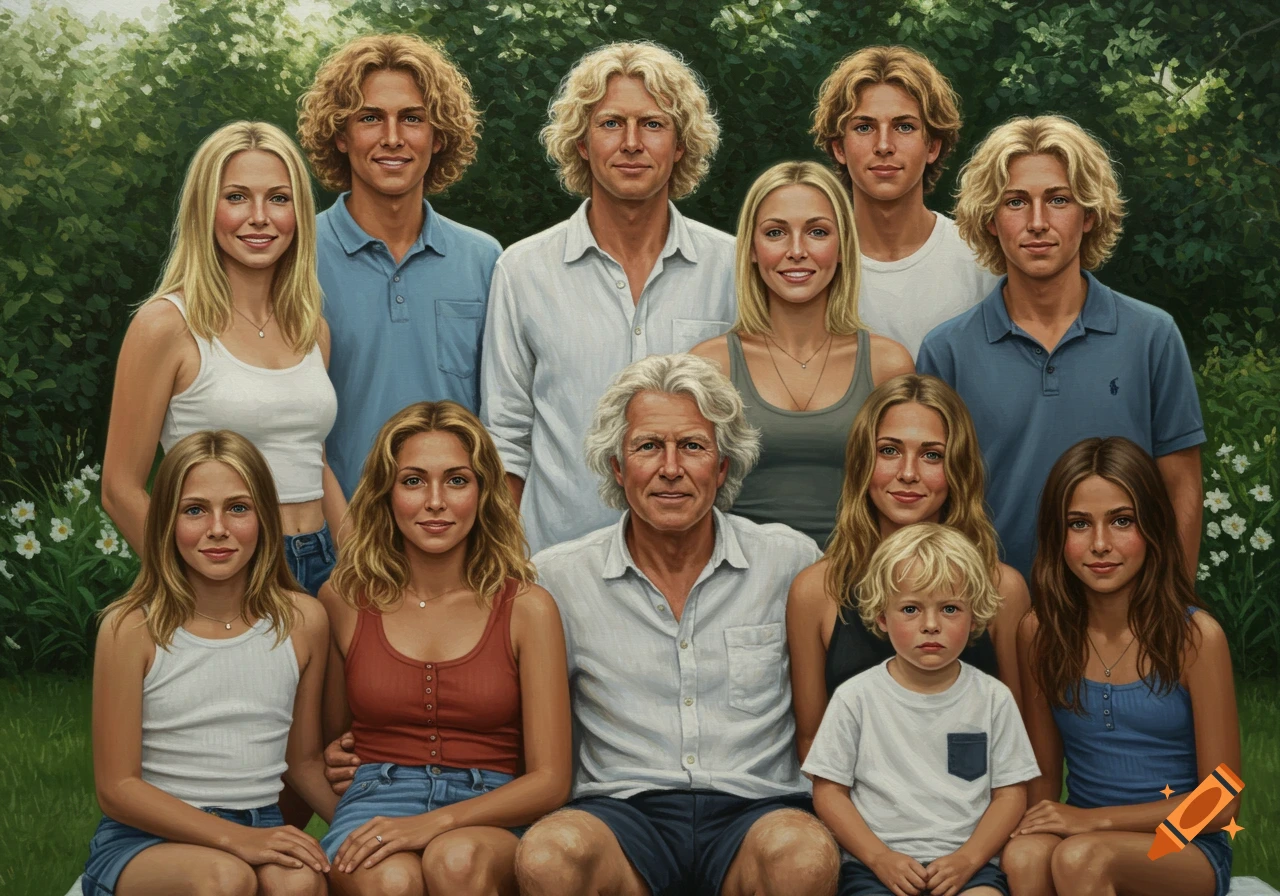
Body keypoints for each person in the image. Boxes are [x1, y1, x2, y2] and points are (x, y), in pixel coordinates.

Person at [512, 354, 841, 896]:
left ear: (723, 467)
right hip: (618, 814)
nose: (670, 468)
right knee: (549, 854)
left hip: (758, 811)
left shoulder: (791, 562)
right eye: (647, 447)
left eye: (692, 446)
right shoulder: (556, 578)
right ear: (617, 468)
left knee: (803, 856)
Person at [917, 115, 1205, 582]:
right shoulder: (946, 351)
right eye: (1015, 202)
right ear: (990, 220)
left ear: (1089, 215)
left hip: (1121, 609)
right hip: (990, 607)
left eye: (1058, 200)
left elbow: (1181, 485)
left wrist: (1176, 605)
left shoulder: (1152, 336)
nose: (1037, 223)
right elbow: (932, 500)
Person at [481, 41, 736, 554]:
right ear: (581, 142)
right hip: (553, 564)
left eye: (653, 124)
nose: (632, 143)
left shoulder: (732, 268)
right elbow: (505, 438)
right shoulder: (523, 270)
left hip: (701, 568)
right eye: (611, 123)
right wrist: (507, 563)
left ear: (681, 144)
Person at [315, 401, 571, 896]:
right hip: (376, 800)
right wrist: (343, 777)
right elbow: (328, 746)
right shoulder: (343, 600)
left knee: (456, 861)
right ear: (386, 493)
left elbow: (551, 779)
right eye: (413, 481)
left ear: (483, 492)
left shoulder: (528, 608)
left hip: (491, 807)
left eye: (456, 480)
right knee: (392, 882)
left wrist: (434, 823)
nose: (435, 501)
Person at [85, 430, 334, 896]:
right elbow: (117, 788)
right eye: (195, 510)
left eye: (238, 508)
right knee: (224, 879)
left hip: (260, 822)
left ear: (264, 517)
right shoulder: (131, 628)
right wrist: (236, 841)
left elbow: (304, 762)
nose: (217, 528)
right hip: (146, 837)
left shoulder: (302, 621)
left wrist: (365, 831)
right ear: (166, 520)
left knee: (300, 883)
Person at [102, 121, 344, 596]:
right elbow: (119, 489)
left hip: (322, 559)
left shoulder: (311, 328)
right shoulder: (166, 325)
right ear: (204, 209)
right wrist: (196, 589)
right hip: (228, 569)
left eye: (279, 198)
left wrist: (358, 562)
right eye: (236, 197)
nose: (260, 217)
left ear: (299, 212)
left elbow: (310, 455)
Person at [1003, 437, 1241, 896]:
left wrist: (1095, 822)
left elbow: (1221, 800)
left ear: (1152, 526)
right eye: (1079, 524)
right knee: (1024, 856)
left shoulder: (1195, 638)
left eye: (1121, 521)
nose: (1100, 544)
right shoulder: (1040, 632)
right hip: (1082, 834)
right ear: (1056, 534)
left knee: (1083, 857)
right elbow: (1044, 777)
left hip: (1185, 843)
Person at [787, 374, 1030, 763]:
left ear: (958, 467)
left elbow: (1018, 745)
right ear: (863, 461)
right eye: (889, 451)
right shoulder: (817, 591)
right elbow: (812, 742)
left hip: (974, 799)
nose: (908, 473)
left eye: (932, 455)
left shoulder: (1002, 587)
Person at [298, 34, 502, 499]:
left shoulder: (486, 260)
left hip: (452, 528)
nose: (392, 137)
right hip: (331, 529)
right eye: (370, 118)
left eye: (412, 118)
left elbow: (504, 418)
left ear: (438, 136)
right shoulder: (296, 256)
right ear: (340, 135)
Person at [805, 523, 1040, 896]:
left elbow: (1010, 794)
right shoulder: (855, 698)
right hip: (875, 870)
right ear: (882, 617)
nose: (931, 625)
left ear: (975, 617)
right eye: (911, 609)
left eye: (950, 608)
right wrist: (880, 858)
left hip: (969, 868)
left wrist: (968, 859)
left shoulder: (994, 698)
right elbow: (829, 791)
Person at [691, 160, 913, 548]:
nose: (796, 251)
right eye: (775, 233)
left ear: (843, 247)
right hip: (739, 577)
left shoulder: (888, 365)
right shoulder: (710, 366)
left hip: (859, 574)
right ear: (752, 249)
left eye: (817, 232)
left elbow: (911, 491)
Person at [811, 45, 997, 360]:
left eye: (904, 127)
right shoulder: (809, 262)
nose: (884, 145)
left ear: (933, 146)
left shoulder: (982, 259)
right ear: (839, 148)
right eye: (864, 127)